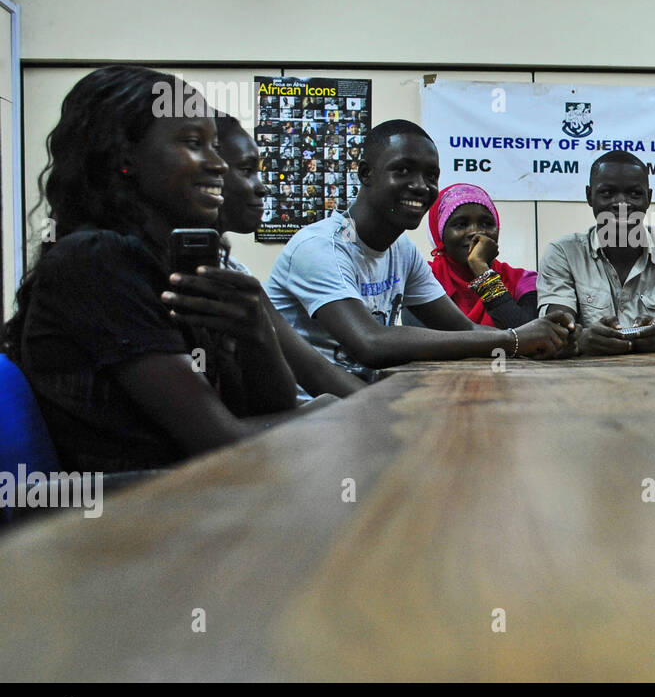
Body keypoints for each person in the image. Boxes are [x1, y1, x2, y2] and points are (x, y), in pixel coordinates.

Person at [0, 66, 307, 472]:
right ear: (126, 156)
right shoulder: (97, 260)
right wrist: (333, 417)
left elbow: (264, 409)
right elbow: (222, 444)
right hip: (131, 518)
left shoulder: (161, 262)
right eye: (194, 143)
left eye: (215, 145)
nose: (219, 165)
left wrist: (257, 339)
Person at [266, 120, 571, 385]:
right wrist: (513, 340)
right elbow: (371, 343)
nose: (420, 186)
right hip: (309, 411)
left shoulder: (401, 250)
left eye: (431, 175)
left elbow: (462, 328)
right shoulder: (320, 248)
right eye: (402, 170)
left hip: (365, 397)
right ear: (365, 174)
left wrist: (549, 339)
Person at [214, 115, 364, 399]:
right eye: (246, 170)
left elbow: (279, 398)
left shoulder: (235, 271)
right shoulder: (317, 245)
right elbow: (369, 343)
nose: (263, 187)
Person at [538, 150, 655, 354]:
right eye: (607, 193)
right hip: (586, 378)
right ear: (589, 196)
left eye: (634, 194)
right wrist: (582, 340)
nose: (621, 204)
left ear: (649, 198)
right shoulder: (563, 253)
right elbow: (555, 329)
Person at [420, 183, 539, 328]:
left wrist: (482, 270)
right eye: (461, 224)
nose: (476, 232)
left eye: (486, 223)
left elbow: (527, 338)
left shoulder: (523, 282)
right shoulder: (423, 278)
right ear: (439, 234)